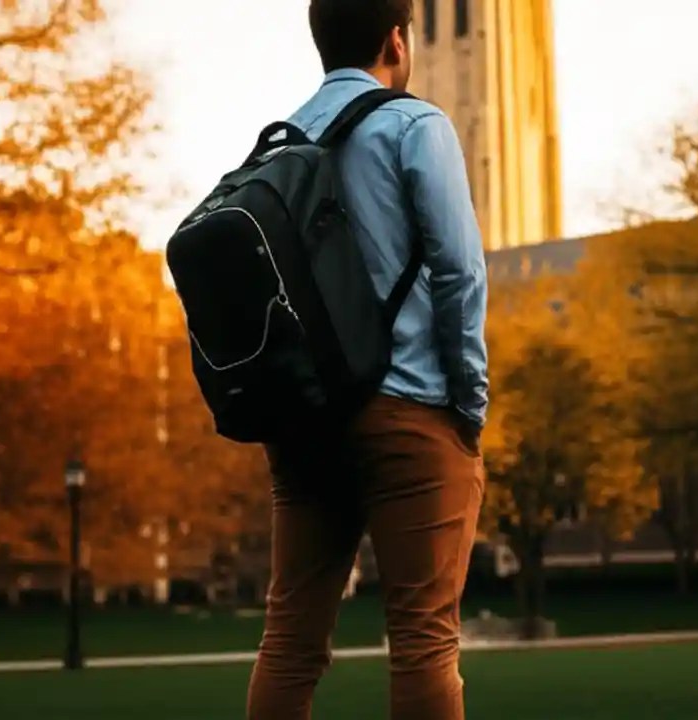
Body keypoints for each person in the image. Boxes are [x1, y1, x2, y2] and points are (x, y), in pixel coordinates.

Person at [245, 1, 489, 719]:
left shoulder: (278, 145)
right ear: (397, 41)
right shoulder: (415, 125)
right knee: (423, 640)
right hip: (408, 411)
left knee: (289, 643)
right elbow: (459, 272)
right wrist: (468, 404)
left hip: (305, 422)